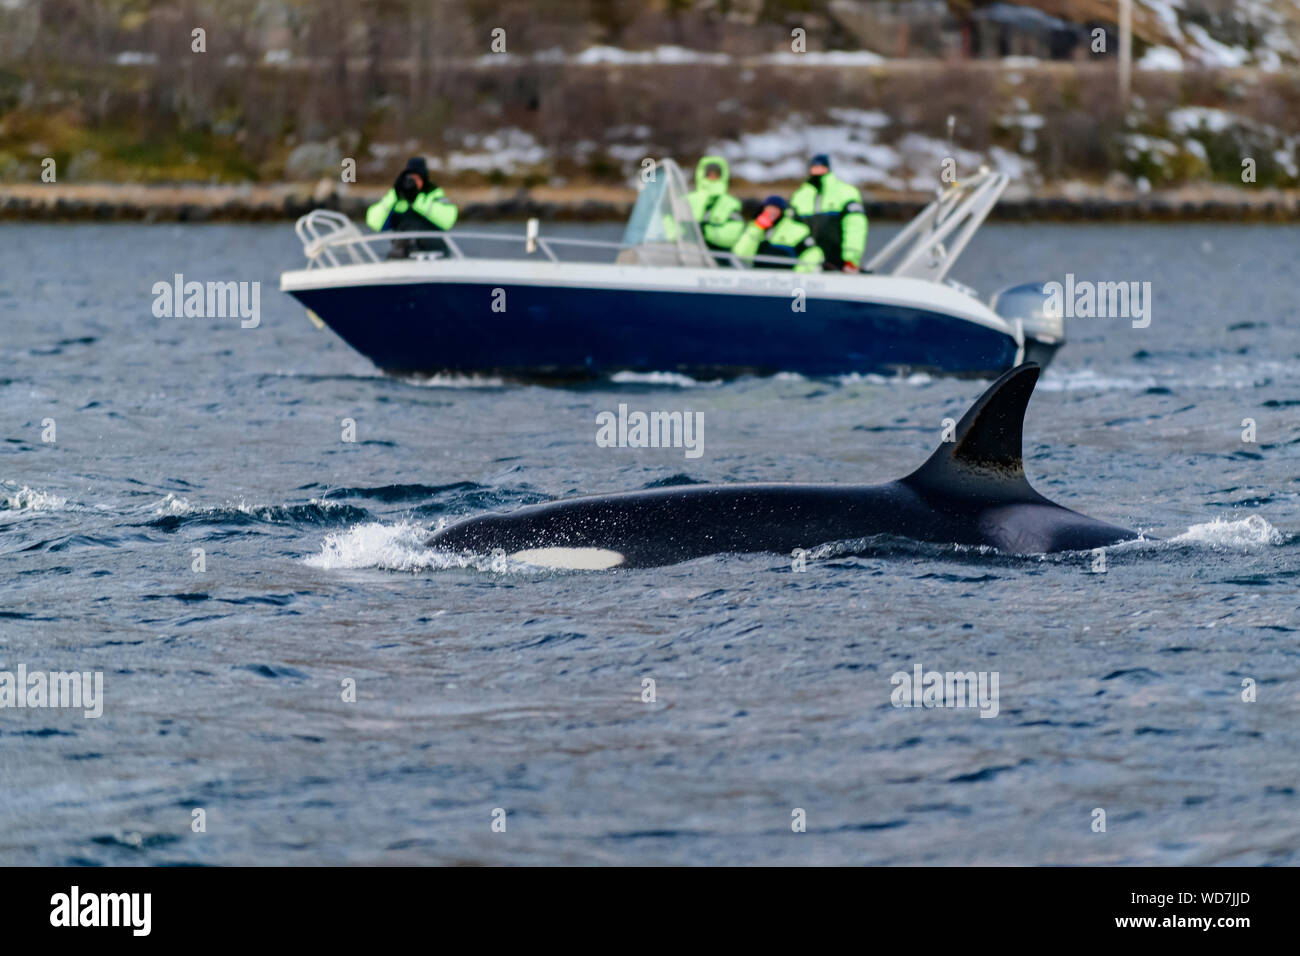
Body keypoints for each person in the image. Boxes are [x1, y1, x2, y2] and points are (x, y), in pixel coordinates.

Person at [365, 156, 458, 258]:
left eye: (417, 179)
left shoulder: (434, 195)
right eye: (409, 179)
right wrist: (394, 194)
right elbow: (374, 222)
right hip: (402, 255)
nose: (412, 182)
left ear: (424, 180)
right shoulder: (396, 198)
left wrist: (417, 200)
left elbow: (448, 221)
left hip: (435, 255)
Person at [788, 153, 867, 272]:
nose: (818, 170)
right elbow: (790, 227)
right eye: (815, 167)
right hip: (806, 263)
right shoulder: (800, 195)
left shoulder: (846, 192)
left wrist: (851, 258)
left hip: (838, 262)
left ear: (828, 168)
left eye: (822, 167)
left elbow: (855, 226)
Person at [732, 195, 824, 273]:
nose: (771, 212)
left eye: (775, 208)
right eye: (768, 208)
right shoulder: (754, 228)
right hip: (759, 277)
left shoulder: (797, 229)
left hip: (787, 279)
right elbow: (741, 253)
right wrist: (757, 228)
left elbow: (813, 253)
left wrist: (798, 275)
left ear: (783, 211)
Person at [687, 155, 745, 253]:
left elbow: (734, 232)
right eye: (709, 173)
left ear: (722, 176)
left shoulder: (732, 203)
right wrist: (685, 233)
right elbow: (668, 223)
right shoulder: (688, 199)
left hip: (715, 253)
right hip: (685, 249)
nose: (712, 176)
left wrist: (705, 232)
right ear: (702, 174)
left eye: (716, 174)